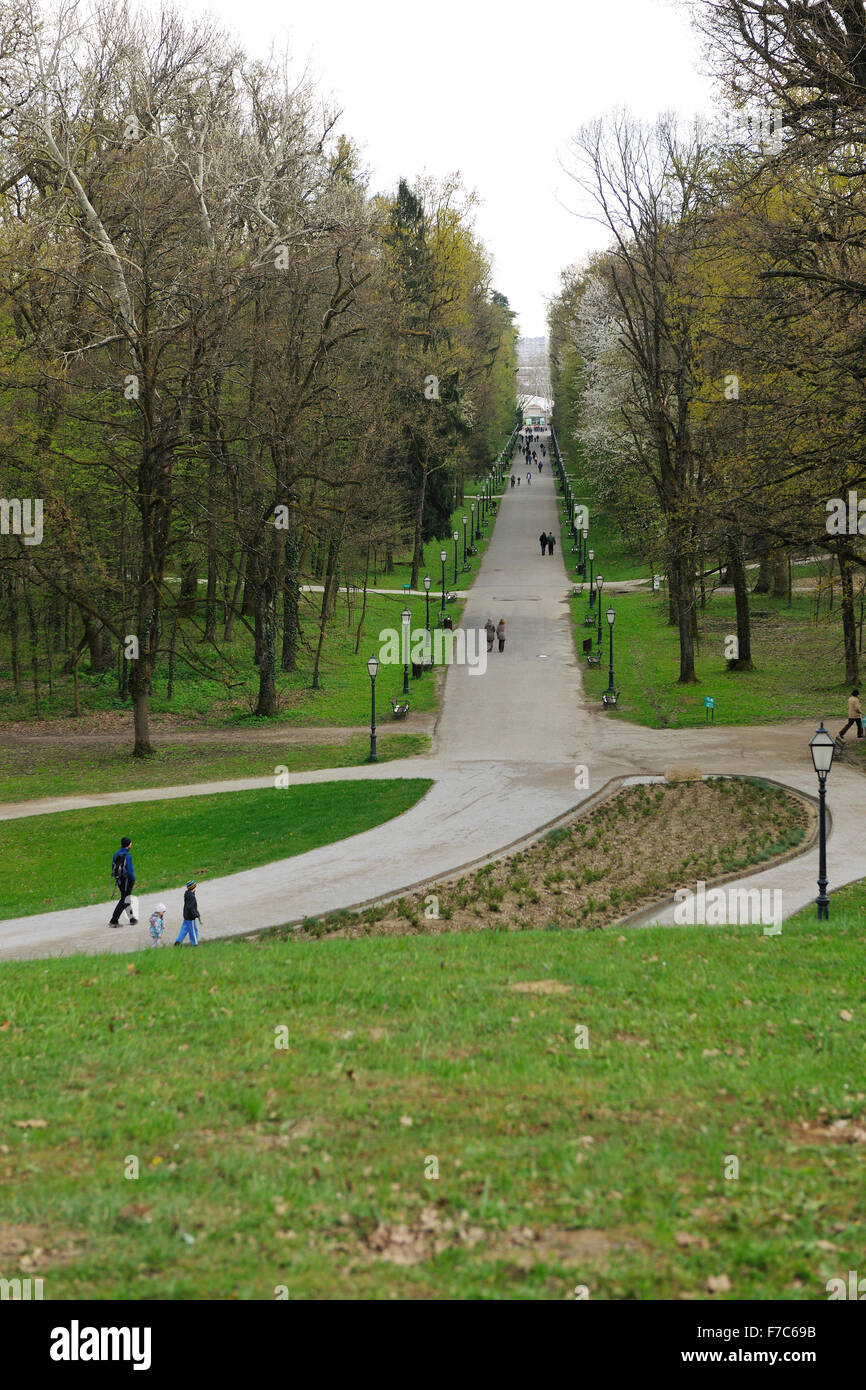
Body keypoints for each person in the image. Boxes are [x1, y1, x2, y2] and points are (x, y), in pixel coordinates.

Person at [108, 836, 137, 927]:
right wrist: (133, 879)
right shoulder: (128, 857)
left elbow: (113, 866)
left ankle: (131, 918)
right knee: (124, 899)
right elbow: (130, 871)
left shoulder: (116, 854)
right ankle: (114, 920)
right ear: (128, 845)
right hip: (127, 881)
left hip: (119, 880)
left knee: (125, 898)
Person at [175, 880, 203, 946]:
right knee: (193, 930)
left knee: (184, 929)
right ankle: (195, 944)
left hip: (186, 916)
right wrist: (196, 914)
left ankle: (178, 942)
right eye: (195, 887)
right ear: (193, 888)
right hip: (190, 917)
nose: (196, 889)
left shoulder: (187, 894)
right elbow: (192, 908)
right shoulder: (192, 897)